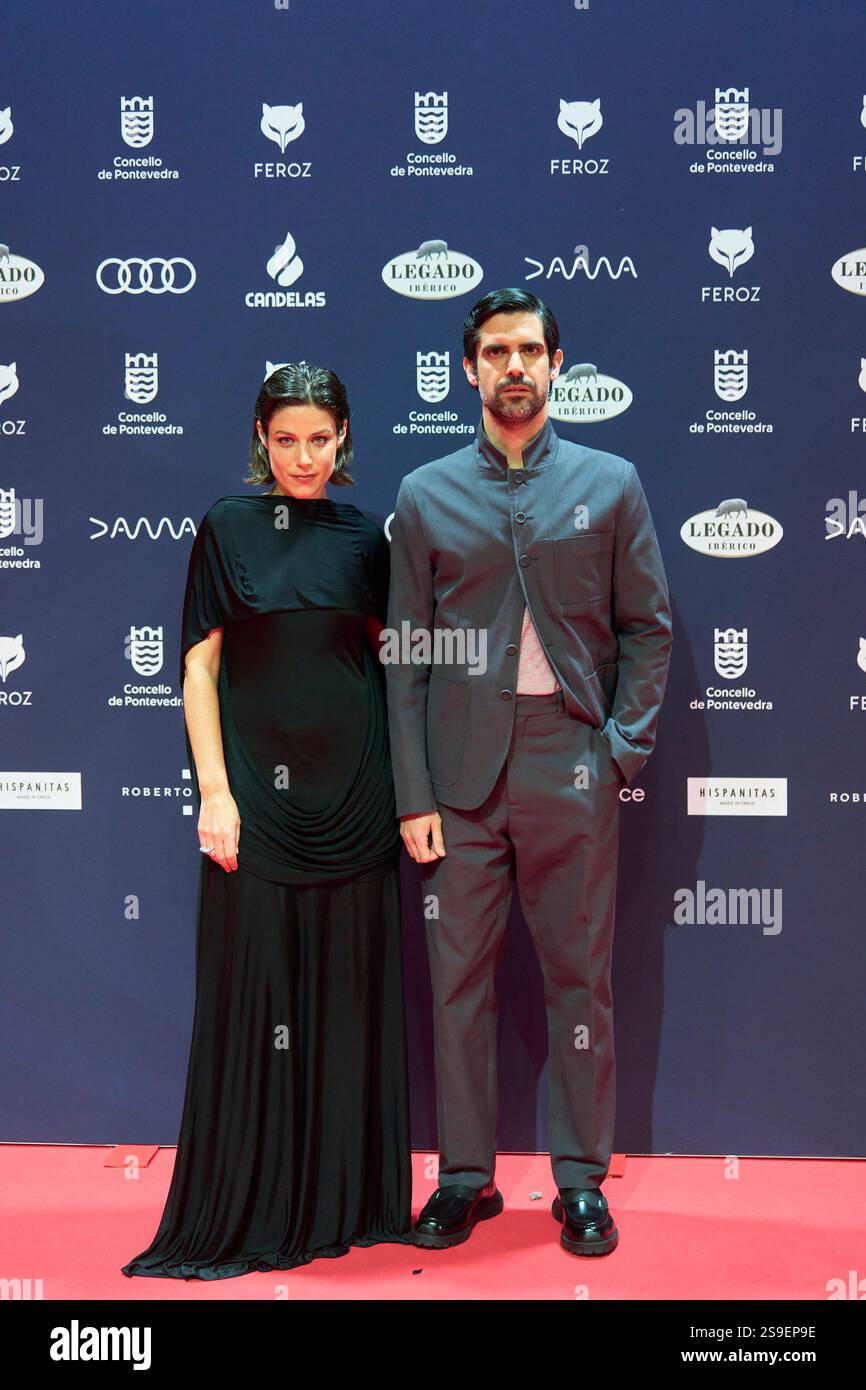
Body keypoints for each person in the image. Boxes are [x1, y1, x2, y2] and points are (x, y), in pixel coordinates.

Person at [385, 288, 672, 1257]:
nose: (513, 366)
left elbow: (648, 629)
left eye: (529, 350)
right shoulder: (425, 494)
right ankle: (464, 1177)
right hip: (459, 779)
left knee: (577, 983)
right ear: (467, 370)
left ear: (556, 364)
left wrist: (617, 750)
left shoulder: (612, 481)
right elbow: (407, 656)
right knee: (455, 980)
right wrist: (413, 794)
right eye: (494, 351)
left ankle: (580, 1181)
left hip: (570, 764)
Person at [122, 363, 412, 1280]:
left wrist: (409, 791)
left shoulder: (369, 539)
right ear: (260, 438)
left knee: (346, 1001)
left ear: (344, 438)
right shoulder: (226, 526)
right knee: (258, 1004)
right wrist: (215, 789)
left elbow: (388, 668)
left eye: (319, 439)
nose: (302, 456)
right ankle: (250, 1207)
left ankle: (347, 1204)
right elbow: (199, 667)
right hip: (254, 800)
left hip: (357, 800)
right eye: (284, 438)